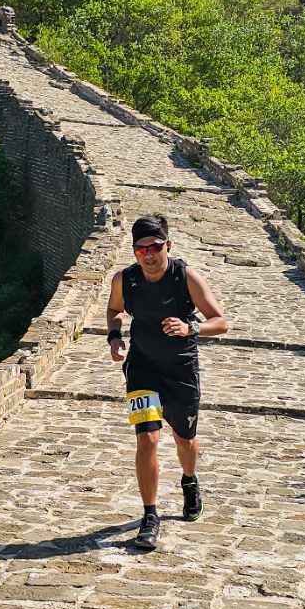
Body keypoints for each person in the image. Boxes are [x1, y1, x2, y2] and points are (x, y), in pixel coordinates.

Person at [106, 213, 228, 550]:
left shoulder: (185, 277)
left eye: (155, 247)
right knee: (147, 440)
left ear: (167, 246)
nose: (148, 254)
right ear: (134, 252)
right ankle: (150, 515)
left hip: (180, 370)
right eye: (141, 249)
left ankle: (189, 480)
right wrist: (114, 337)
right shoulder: (125, 280)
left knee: (184, 439)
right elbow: (114, 310)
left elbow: (221, 322)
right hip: (142, 368)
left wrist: (192, 328)